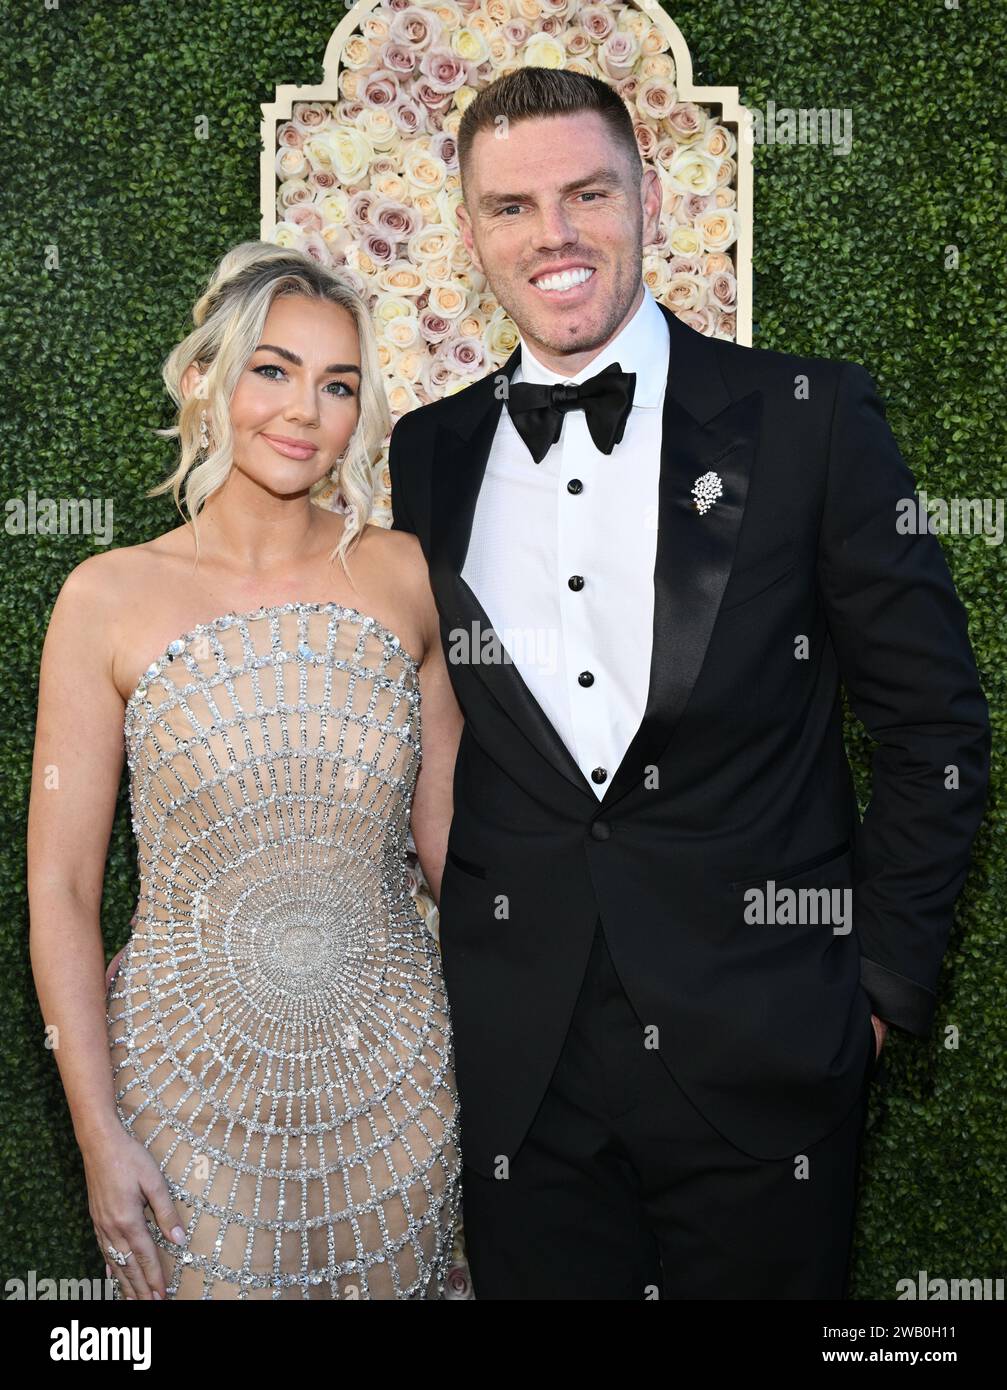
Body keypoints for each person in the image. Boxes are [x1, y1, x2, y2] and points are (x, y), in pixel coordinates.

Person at [387, 68, 991, 1299]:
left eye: (584, 193)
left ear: (648, 197)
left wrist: (870, 995)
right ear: (469, 233)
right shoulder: (429, 451)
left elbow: (933, 721)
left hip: (765, 1050)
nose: (549, 235)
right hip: (527, 1069)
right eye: (509, 207)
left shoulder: (807, 417)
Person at [27, 242, 464, 1300]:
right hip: (182, 1094)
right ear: (202, 380)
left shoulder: (406, 576)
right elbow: (62, 889)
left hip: (397, 1085)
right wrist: (98, 1135)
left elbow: (465, 859)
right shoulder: (106, 598)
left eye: (337, 383)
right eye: (272, 369)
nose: (302, 409)